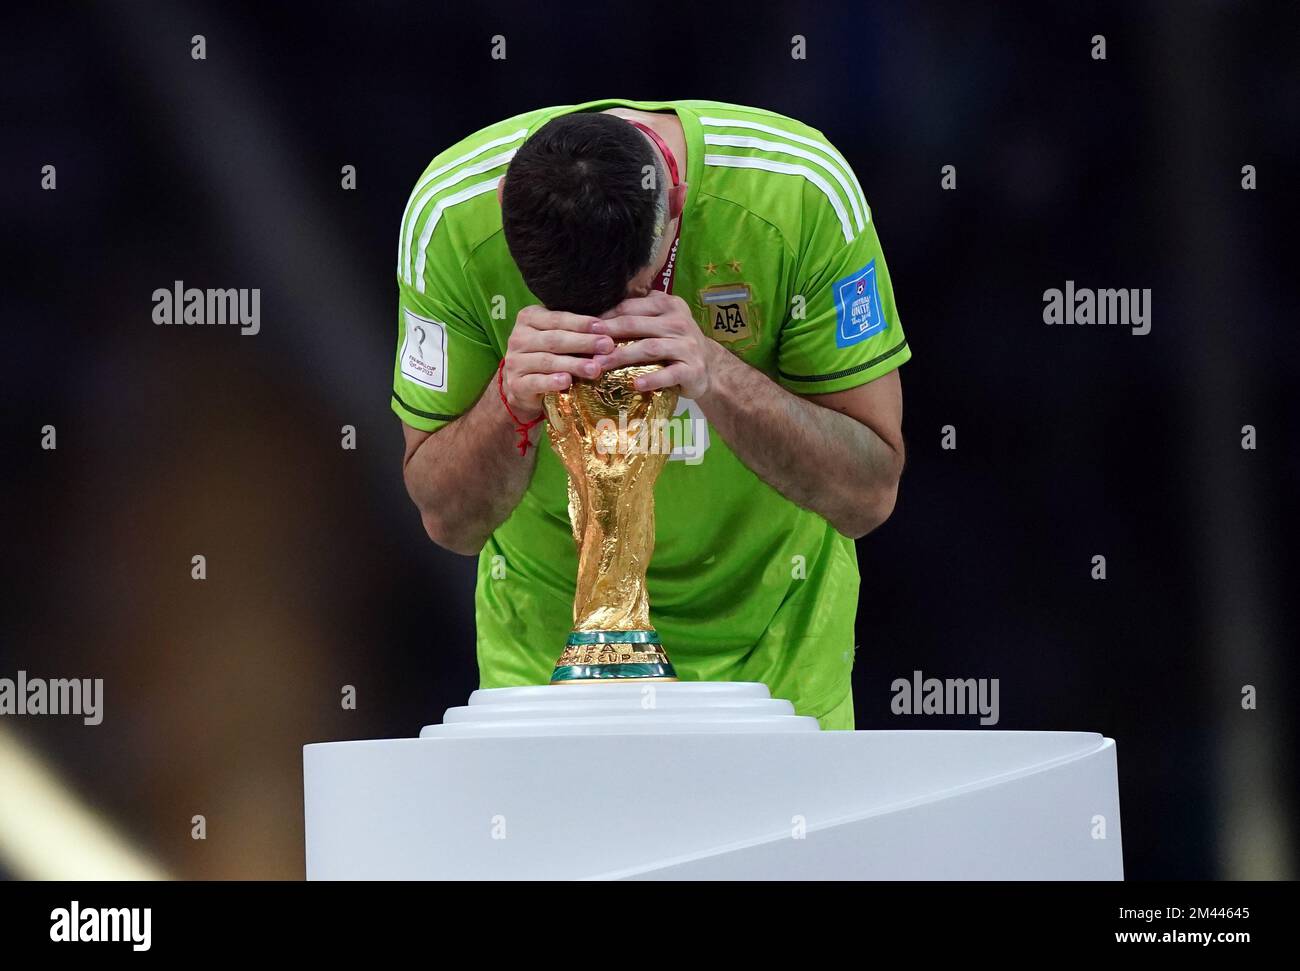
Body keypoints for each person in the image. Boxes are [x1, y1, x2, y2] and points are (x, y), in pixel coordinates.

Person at [394, 99, 909, 729]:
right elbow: (449, 521)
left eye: (633, 295)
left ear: (678, 211)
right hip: (547, 675)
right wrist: (508, 402)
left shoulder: (799, 194)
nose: (606, 339)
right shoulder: (449, 217)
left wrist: (717, 374)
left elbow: (869, 494)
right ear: (502, 204)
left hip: (778, 673)